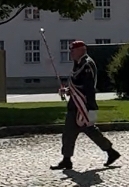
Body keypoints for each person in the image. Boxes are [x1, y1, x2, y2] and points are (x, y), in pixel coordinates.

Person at [51, 40, 121, 172]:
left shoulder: (87, 64)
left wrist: (89, 107)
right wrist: (67, 90)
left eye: (73, 50)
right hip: (76, 104)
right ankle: (67, 159)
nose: (70, 53)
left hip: (84, 104)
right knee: (68, 132)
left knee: (90, 130)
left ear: (81, 50)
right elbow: (77, 84)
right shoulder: (78, 64)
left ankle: (111, 152)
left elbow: (87, 87)